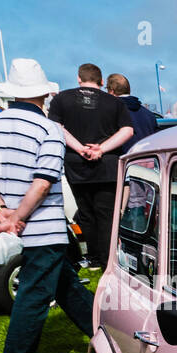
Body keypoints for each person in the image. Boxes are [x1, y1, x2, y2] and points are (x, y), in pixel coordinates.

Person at [0, 58, 94, 353]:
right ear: (44, 95)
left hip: (12, 223)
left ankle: (102, 329)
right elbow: (42, 183)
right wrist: (17, 217)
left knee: (66, 283)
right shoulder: (49, 128)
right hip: (42, 227)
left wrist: (1, 211)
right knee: (35, 294)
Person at [47, 64, 133, 269]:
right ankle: (108, 259)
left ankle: (94, 256)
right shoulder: (114, 102)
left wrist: (79, 148)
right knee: (107, 215)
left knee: (86, 212)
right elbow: (128, 130)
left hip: (76, 165)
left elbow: (56, 127)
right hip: (107, 164)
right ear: (101, 82)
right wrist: (101, 149)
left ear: (79, 79)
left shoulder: (61, 99)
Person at [105, 73, 156, 154]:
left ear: (111, 91)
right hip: (149, 161)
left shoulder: (110, 113)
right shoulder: (149, 114)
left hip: (125, 161)